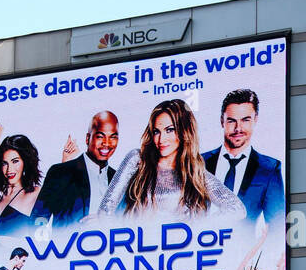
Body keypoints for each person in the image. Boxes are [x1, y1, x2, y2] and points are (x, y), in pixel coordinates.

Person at [97, 99, 244, 221]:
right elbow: (105, 210)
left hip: (177, 251)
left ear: (183, 131)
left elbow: (237, 209)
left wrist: (200, 229)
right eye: (156, 132)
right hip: (137, 247)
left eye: (169, 130)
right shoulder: (137, 159)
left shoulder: (196, 174)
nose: (161, 139)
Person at [202, 89, 285, 227]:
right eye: (231, 121)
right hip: (199, 246)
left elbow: (277, 225)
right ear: (222, 121)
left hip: (246, 247)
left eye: (245, 120)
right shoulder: (198, 163)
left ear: (255, 120)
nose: (238, 128)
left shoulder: (269, 168)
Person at [34, 111, 119, 227]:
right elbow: (38, 218)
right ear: (88, 138)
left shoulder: (119, 180)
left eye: (113, 137)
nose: (107, 143)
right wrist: (41, 243)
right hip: (70, 244)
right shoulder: (60, 173)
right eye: (100, 136)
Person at [0, 131, 45, 238]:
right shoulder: (6, 192)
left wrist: (65, 163)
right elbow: (5, 159)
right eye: (5, 164)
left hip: (20, 253)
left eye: (15, 161)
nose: (9, 169)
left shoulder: (35, 193)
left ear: (25, 162)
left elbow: (58, 198)